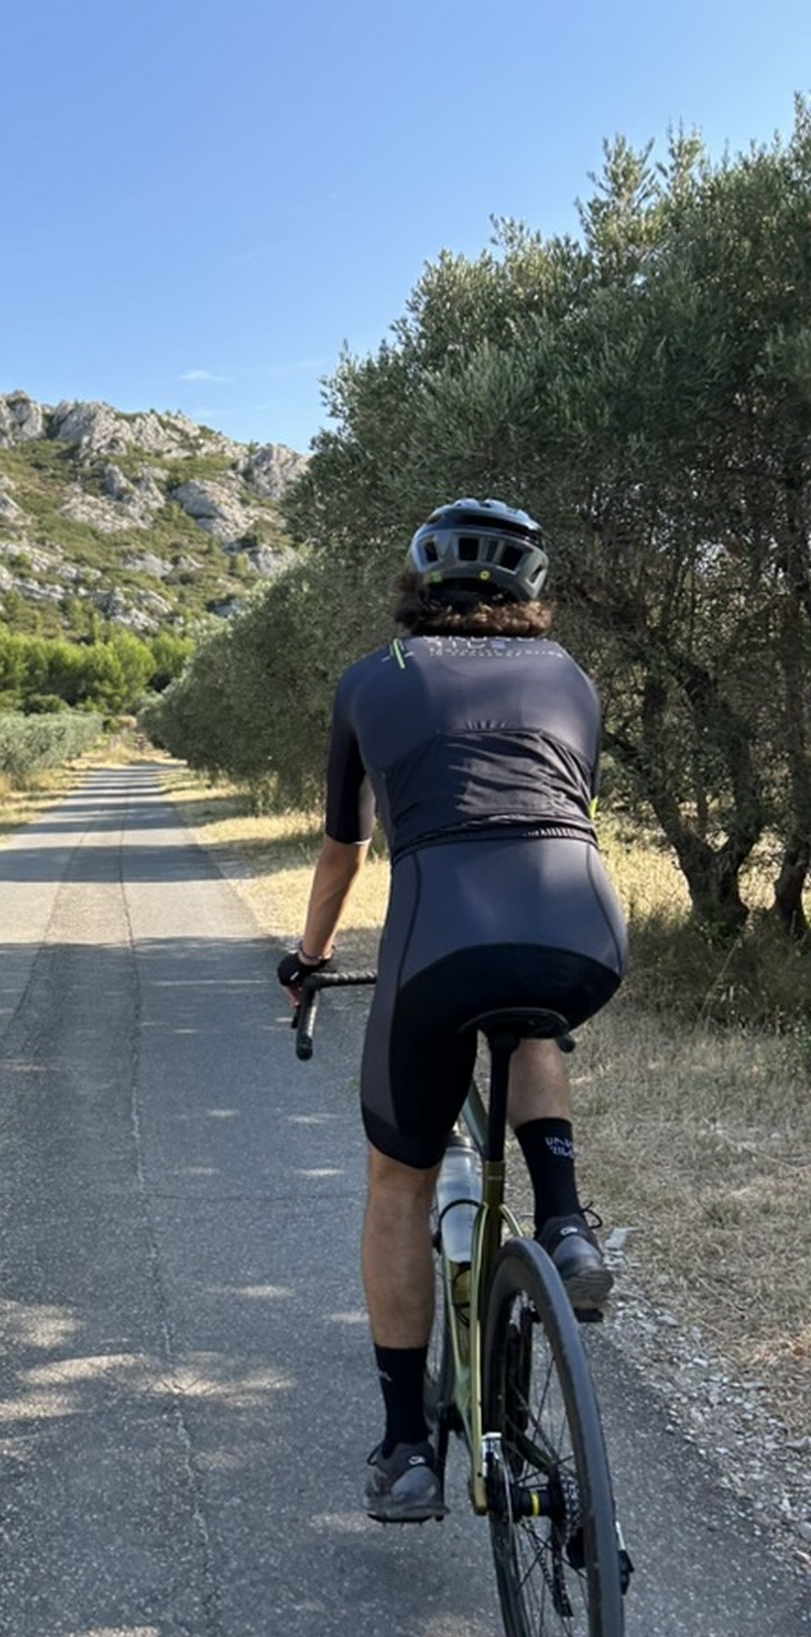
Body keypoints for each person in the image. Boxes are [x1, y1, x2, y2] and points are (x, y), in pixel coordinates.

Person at [278, 499, 628, 1523]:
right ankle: (565, 1224)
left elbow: (345, 850)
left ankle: (404, 1450)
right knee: (531, 1016)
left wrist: (309, 959)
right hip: (582, 929)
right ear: (528, 594)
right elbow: (555, 806)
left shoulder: (372, 682)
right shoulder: (572, 676)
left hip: (437, 945)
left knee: (399, 1182)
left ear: (418, 588)